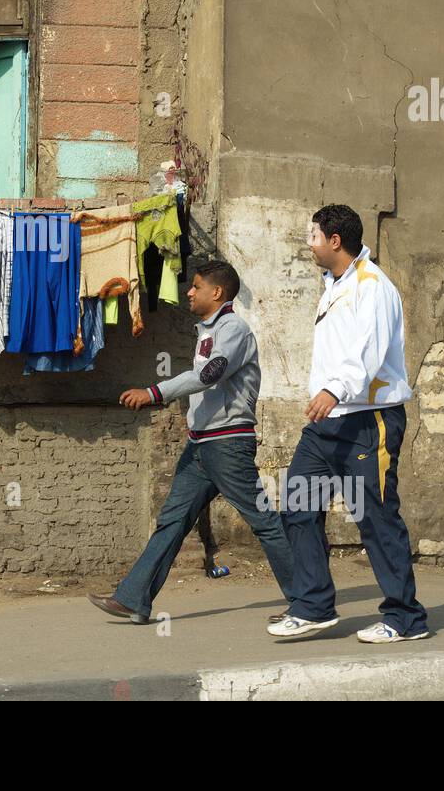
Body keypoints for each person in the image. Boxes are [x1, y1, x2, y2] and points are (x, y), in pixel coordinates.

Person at [87, 260, 296, 624]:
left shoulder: (233, 329)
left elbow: (207, 376)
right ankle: (133, 598)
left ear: (216, 292)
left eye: (195, 286)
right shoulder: (209, 331)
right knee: (172, 521)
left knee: (263, 522)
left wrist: (155, 392)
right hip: (202, 446)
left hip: (228, 444)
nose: (189, 291)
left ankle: (308, 599)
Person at [267, 204, 429, 643]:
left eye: (313, 236)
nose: (309, 244)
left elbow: (369, 352)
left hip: (366, 421)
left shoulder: (372, 286)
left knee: (374, 517)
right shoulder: (335, 285)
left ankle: (405, 618)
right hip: (326, 426)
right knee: (298, 507)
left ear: (335, 241)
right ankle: (314, 606)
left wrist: (335, 389)